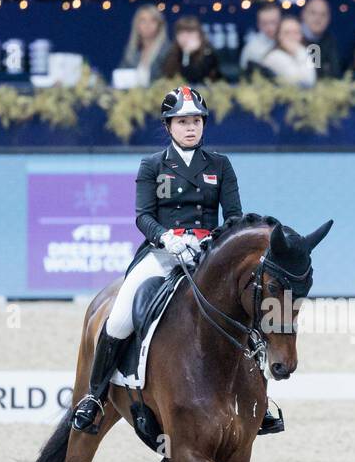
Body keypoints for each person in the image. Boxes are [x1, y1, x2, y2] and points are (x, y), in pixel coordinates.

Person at [70, 87, 281, 437]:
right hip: (161, 253)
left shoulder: (220, 165)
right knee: (120, 316)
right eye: (182, 121)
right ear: (168, 126)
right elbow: (143, 216)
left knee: (249, 308)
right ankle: (94, 397)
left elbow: (234, 218)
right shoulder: (153, 165)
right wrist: (167, 238)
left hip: (208, 257)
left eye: (196, 121)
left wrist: (212, 244)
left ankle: (259, 401)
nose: (190, 127)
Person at [117, 4, 172, 85]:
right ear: (137, 25)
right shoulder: (131, 51)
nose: (147, 25)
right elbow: (121, 77)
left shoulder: (168, 51)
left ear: (160, 25)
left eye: (153, 20)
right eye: (143, 21)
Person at [160, 16, 222, 84]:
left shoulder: (208, 54)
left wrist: (187, 54)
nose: (185, 36)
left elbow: (194, 79)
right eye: (181, 33)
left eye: (190, 32)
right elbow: (167, 76)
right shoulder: (172, 53)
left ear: (199, 34)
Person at [260, 16, 318, 86]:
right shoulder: (274, 56)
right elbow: (300, 82)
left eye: (296, 32)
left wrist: (300, 52)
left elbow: (312, 80)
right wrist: (300, 51)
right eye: (287, 33)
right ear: (279, 36)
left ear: (301, 36)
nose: (291, 37)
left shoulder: (302, 52)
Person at [301, 0, 342, 79]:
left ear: (329, 19)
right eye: (313, 13)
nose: (318, 18)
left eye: (323, 14)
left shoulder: (329, 39)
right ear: (303, 14)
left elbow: (335, 73)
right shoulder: (294, 37)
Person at [239, 3, 281, 74]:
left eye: (273, 22)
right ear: (258, 24)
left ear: (281, 21)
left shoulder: (293, 42)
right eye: (264, 23)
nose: (269, 28)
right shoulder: (251, 48)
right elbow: (244, 72)